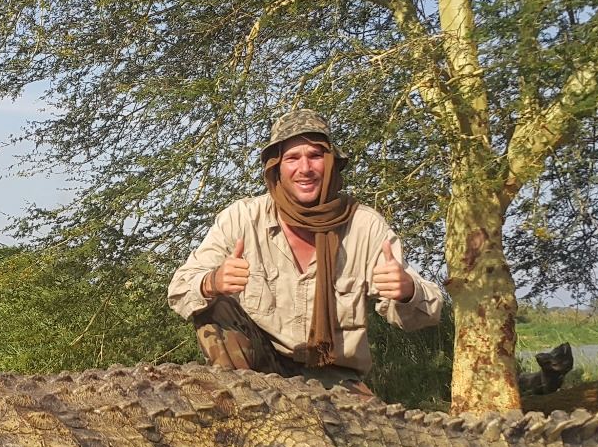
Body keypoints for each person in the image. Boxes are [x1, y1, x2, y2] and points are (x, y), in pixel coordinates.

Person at [168, 110, 444, 393]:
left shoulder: (365, 226)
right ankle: (241, 411)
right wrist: (212, 281)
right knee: (214, 307)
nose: (305, 168)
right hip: (258, 375)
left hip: (333, 380)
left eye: (314, 155)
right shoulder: (242, 218)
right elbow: (179, 289)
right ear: (276, 167)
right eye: (292, 158)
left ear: (331, 163)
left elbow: (428, 311)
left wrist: (407, 290)